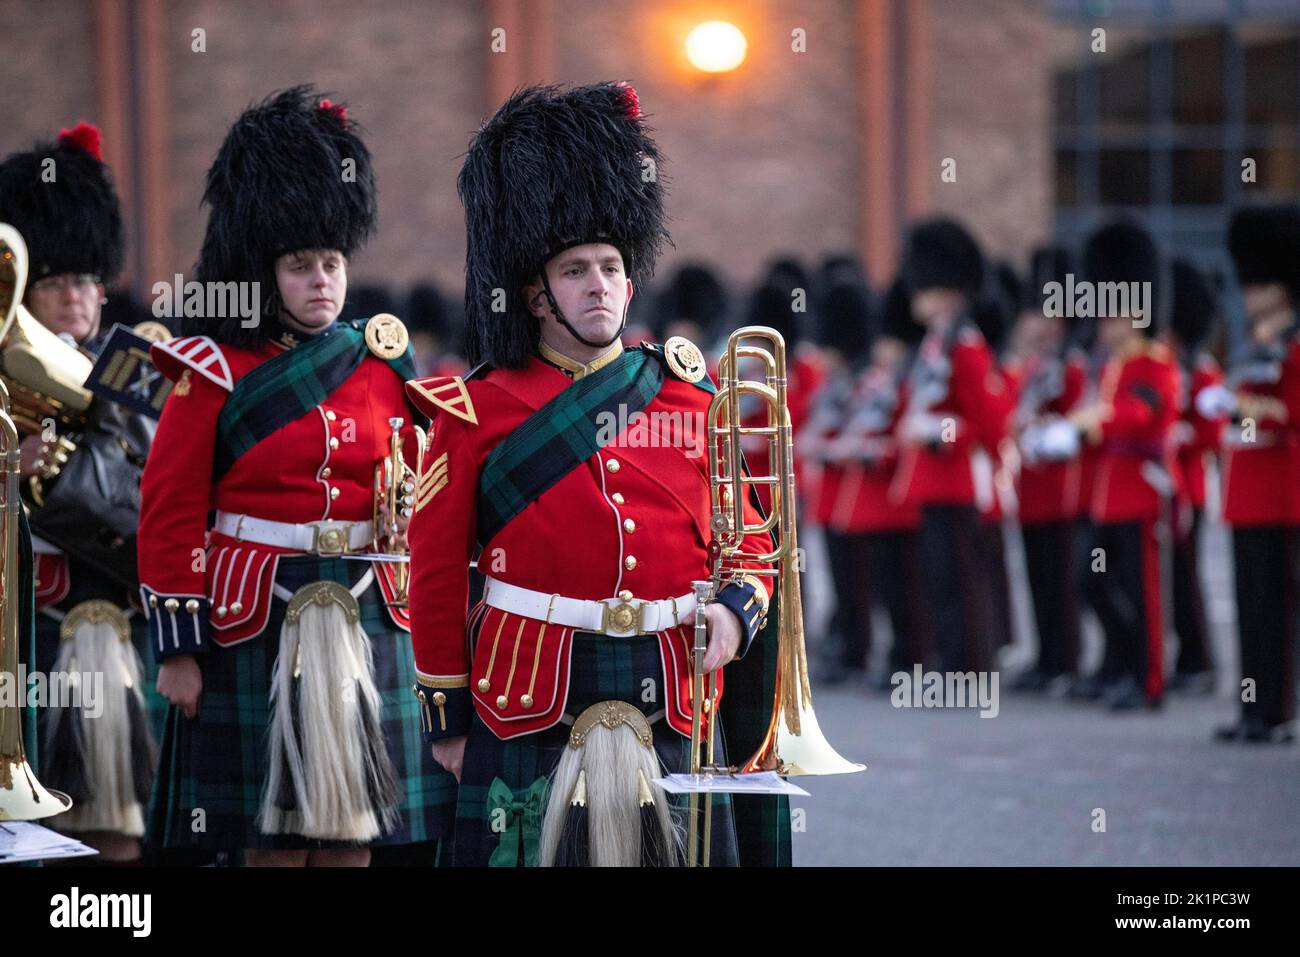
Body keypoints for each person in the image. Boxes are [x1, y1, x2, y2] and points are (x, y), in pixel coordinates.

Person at [405, 81, 787, 866]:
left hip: (672, 692)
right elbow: (436, 569)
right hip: (529, 695)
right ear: (535, 295)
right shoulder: (474, 408)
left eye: (612, 266)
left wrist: (736, 612)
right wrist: (446, 717)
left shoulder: (688, 389)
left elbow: (749, 539)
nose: (600, 284)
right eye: (575, 270)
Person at [138, 87, 455, 864]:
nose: (322, 280)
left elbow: (435, 479)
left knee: (353, 837)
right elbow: (170, 510)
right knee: (272, 841)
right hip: (255, 613)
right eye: (300, 264)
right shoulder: (209, 368)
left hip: (365, 607)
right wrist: (179, 649)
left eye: (333, 262)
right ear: (263, 266)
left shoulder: (384, 358)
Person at [0, 122, 160, 863]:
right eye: (58, 280)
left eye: (88, 280)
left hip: (122, 628)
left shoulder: (138, 371)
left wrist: (62, 470)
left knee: (123, 824)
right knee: (39, 834)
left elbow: (156, 494)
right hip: (33, 630)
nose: (77, 297)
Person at [1066, 220, 1179, 711]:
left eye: (1113, 317)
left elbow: (1144, 416)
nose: (1104, 325)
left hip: (1141, 492)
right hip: (1108, 495)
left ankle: (1150, 681)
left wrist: (1099, 419)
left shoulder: (1155, 362)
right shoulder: (1109, 366)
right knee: (1090, 582)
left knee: (1145, 594)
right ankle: (1120, 662)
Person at [891, 219, 1011, 676]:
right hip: (933, 482)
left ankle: (970, 664)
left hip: (959, 481)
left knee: (962, 580)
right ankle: (950, 658)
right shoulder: (933, 347)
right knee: (939, 579)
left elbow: (988, 422)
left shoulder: (966, 347)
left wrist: (934, 430)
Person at [1203, 204, 1300, 744]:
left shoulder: (1291, 346)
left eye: (1259, 281)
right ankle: (1252, 708)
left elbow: (1292, 411)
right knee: (1250, 609)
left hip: (1282, 493)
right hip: (1246, 492)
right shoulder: (1255, 345)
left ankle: (1277, 712)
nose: (1249, 291)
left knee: (1275, 609)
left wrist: (1240, 410)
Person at [1008, 246, 1087, 693]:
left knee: (1063, 580)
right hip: (1032, 489)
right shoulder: (1033, 365)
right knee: (1038, 578)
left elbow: (1077, 419)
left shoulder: (1072, 365)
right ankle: (1047, 657)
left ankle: (1068, 660)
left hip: (1060, 488)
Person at [1164, 258, 1221, 694]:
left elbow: (1210, 433)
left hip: (1192, 486)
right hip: (1166, 484)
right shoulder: (1169, 366)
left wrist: (1177, 435)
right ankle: (1184, 655)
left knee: (1186, 575)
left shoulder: (1201, 371)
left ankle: (1198, 658)